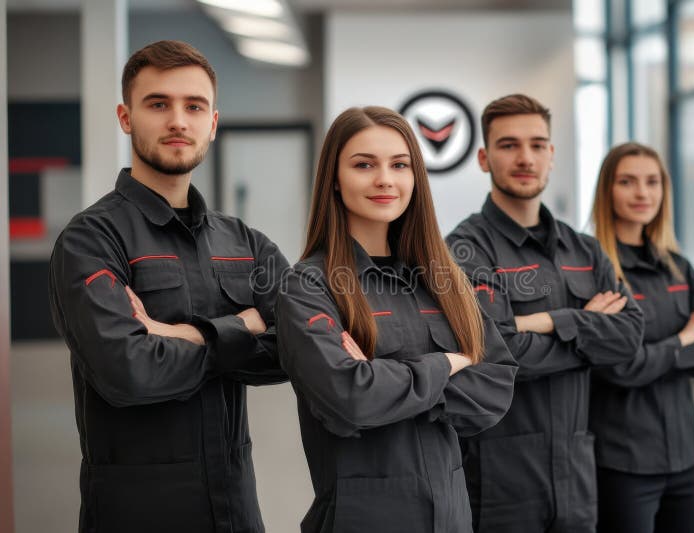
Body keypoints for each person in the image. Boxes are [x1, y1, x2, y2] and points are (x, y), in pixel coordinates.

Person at [48, 40, 289, 533]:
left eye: (194, 106)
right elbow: (129, 371)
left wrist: (180, 334)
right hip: (137, 512)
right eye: (158, 104)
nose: (178, 120)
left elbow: (297, 349)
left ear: (213, 123)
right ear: (126, 117)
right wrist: (244, 324)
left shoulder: (244, 242)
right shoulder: (90, 240)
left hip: (236, 509)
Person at [275, 106, 517, 533]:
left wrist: (386, 383)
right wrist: (446, 365)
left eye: (399, 165)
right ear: (334, 178)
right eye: (364, 165)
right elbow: (350, 399)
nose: (385, 179)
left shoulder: (442, 278)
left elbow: (497, 382)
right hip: (362, 518)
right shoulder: (308, 285)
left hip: (451, 516)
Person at [446, 94, 644, 533]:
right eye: (509, 145)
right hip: (500, 480)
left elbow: (630, 335)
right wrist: (590, 331)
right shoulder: (464, 249)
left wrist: (554, 321)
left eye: (537, 145)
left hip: (575, 476)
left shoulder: (584, 248)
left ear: (552, 155)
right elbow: (495, 352)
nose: (525, 158)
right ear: (483, 158)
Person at [588, 142, 694, 533]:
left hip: (685, 459)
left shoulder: (677, 267)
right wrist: (683, 341)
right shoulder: (595, 270)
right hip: (624, 463)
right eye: (627, 181)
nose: (642, 193)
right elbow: (618, 367)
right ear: (607, 191)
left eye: (652, 182)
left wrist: (652, 357)